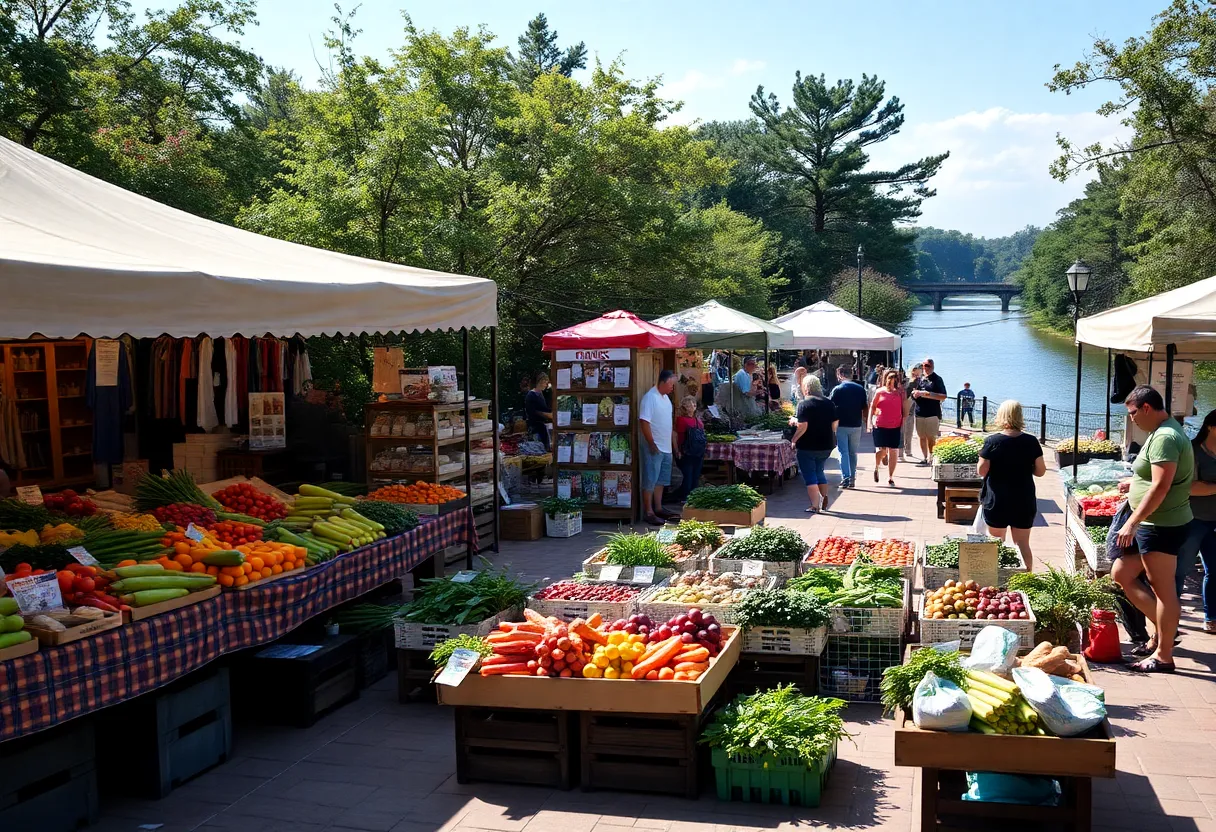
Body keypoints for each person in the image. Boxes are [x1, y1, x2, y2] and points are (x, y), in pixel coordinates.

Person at [1111, 385, 1194, 673]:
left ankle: (1163, 655)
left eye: (1133, 412)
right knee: (1121, 573)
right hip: (1155, 522)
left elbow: (1161, 485)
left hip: (1159, 524)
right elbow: (1155, 478)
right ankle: (1165, 631)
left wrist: (1132, 523)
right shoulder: (1163, 432)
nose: (1131, 418)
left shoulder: (1166, 438)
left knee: (1163, 590)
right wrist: (1133, 484)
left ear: (1147, 408)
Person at [976, 401, 1045, 569]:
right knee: (1022, 543)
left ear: (1001, 416)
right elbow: (1040, 471)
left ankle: (995, 583)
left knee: (996, 544)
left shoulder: (992, 441)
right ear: (1020, 416)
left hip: (997, 500)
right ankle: (1027, 581)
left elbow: (981, 470)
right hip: (1023, 499)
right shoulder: (1031, 441)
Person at [1178, 408, 1216, 635]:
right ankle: (1167, 619)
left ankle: (1211, 617)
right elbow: (1191, 488)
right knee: (1180, 570)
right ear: (1210, 426)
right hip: (1193, 520)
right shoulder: (1193, 451)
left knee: (1214, 571)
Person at [790, 374, 836, 513]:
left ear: (806, 388)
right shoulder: (829, 403)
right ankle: (824, 496)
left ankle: (815, 505)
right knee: (819, 471)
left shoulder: (804, 404)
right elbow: (835, 424)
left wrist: (794, 439)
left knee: (809, 475)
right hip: (826, 444)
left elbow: (803, 426)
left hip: (808, 445)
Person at [639, 370, 679, 526]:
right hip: (654, 446)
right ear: (663, 382)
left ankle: (658, 507)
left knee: (661, 480)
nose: (672, 388)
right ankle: (648, 511)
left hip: (665, 447)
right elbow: (644, 421)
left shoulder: (666, 399)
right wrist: (651, 442)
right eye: (671, 384)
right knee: (650, 478)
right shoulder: (650, 398)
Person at [829, 364, 868, 489]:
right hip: (856, 424)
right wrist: (866, 421)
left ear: (840, 375)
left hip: (841, 424)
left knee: (843, 452)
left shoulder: (837, 390)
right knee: (852, 452)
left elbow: (830, 406)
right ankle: (852, 477)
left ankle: (845, 477)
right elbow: (864, 407)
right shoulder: (860, 389)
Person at [868, 369, 904, 487]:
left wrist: (903, 420)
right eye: (890, 379)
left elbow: (904, 407)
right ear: (886, 379)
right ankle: (877, 467)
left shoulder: (900, 393)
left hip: (895, 426)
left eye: (895, 379)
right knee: (881, 450)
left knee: (893, 451)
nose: (892, 382)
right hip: (880, 425)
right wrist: (870, 421)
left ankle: (890, 477)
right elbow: (872, 407)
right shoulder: (880, 392)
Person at [911, 357, 947, 464]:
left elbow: (943, 396)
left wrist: (926, 394)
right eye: (924, 365)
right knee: (921, 437)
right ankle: (924, 458)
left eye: (928, 366)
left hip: (932, 413)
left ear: (933, 366)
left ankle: (932, 457)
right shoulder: (920, 379)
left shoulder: (937, 379)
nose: (925, 368)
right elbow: (913, 393)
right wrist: (915, 394)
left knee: (931, 437)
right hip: (919, 413)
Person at [673, 396, 706, 501]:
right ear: (685, 407)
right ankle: (685, 498)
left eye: (694, 403)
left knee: (695, 476)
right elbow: (677, 436)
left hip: (698, 452)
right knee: (688, 476)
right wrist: (677, 450)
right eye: (689, 403)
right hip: (686, 452)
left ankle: (693, 497)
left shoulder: (698, 420)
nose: (692, 405)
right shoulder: (681, 420)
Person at [523, 372, 553, 451]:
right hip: (535, 427)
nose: (546, 385)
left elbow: (544, 409)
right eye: (545, 382)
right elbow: (533, 412)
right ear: (540, 381)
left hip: (542, 427)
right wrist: (548, 415)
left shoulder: (540, 394)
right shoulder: (531, 395)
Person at [901, 364, 921, 462]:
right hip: (904, 408)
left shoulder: (919, 381)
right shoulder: (906, 381)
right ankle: (902, 451)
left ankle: (907, 450)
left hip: (911, 409)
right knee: (903, 431)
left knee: (908, 431)